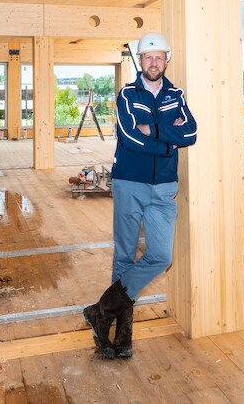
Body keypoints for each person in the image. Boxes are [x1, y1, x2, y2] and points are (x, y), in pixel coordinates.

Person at [83, 32, 197, 359]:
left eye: (159, 57)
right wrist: (168, 140)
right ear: (140, 61)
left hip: (163, 187)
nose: (153, 62)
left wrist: (155, 131)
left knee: (161, 256)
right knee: (124, 255)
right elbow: (131, 136)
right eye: (148, 57)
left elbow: (190, 132)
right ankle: (123, 336)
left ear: (166, 60)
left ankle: (101, 312)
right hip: (129, 182)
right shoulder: (127, 94)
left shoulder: (176, 94)